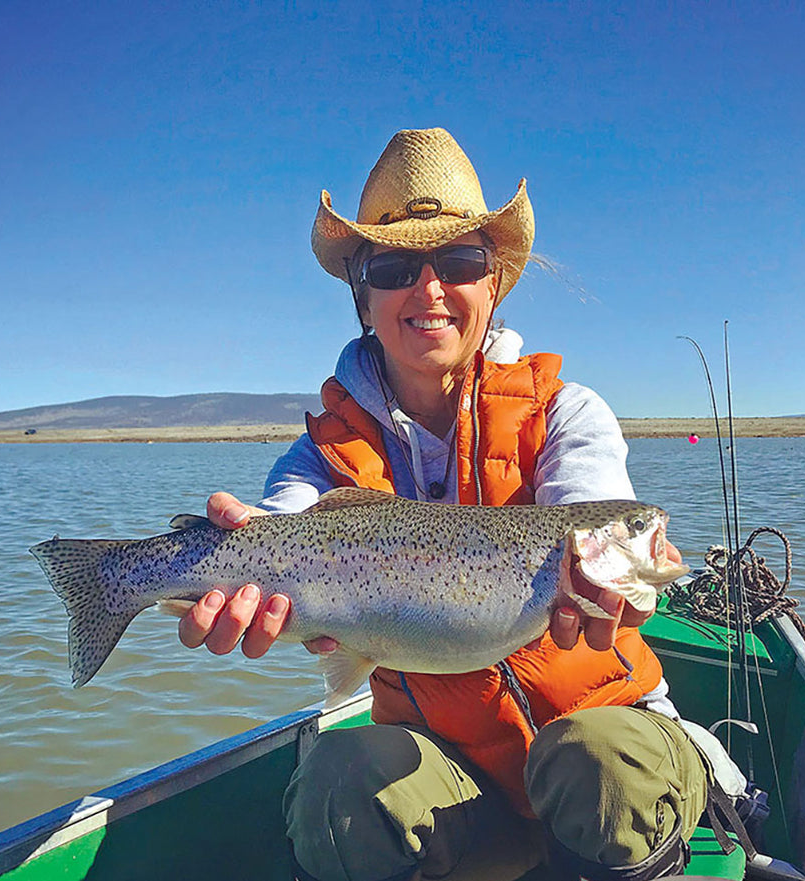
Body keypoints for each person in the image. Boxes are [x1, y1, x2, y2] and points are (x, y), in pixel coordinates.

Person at [178, 128, 710, 881]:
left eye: (460, 261)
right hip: (453, 777)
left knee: (601, 763)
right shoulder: (320, 456)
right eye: (394, 267)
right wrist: (240, 568)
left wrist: (610, 573)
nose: (429, 289)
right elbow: (280, 523)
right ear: (363, 296)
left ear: (494, 284)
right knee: (337, 782)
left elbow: (589, 501)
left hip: (605, 745)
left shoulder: (567, 414)